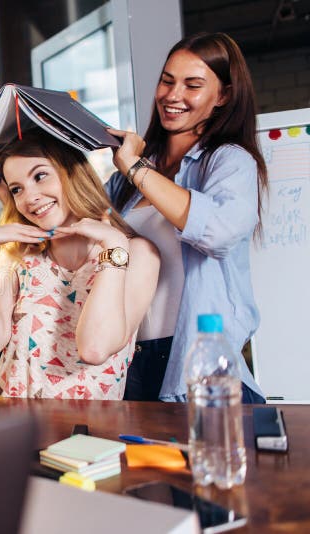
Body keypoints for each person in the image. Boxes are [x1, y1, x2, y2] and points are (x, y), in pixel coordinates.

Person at [105, 32, 268, 403]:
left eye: (192, 85)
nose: (173, 95)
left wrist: (133, 165)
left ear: (222, 96)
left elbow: (219, 232)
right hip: (132, 361)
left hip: (200, 366)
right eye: (167, 80)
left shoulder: (228, 161)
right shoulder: (123, 183)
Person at [0, 131, 160, 399]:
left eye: (40, 176)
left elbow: (94, 348)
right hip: (7, 423)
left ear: (71, 173)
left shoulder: (136, 253)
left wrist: (114, 244)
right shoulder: (19, 252)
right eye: (16, 189)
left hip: (87, 434)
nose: (29, 197)